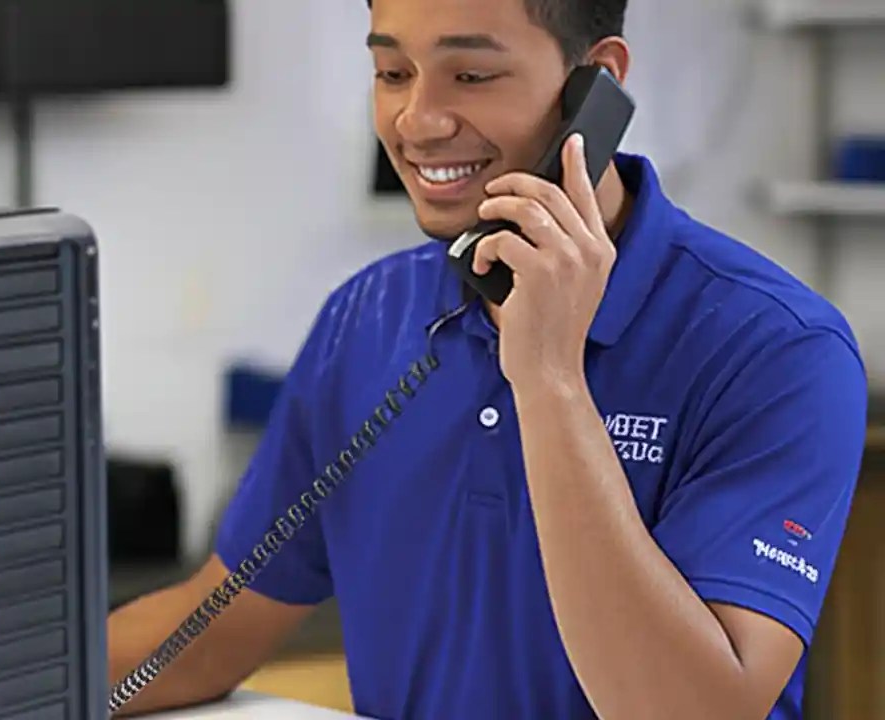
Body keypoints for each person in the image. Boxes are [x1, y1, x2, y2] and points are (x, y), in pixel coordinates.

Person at [106, 0, 868, 717]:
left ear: (595, 84)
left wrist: (549, 379)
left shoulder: (779, 349)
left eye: (471, 75)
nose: (418, 119)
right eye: (392, 73)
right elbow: (215, 624)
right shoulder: (366, 319)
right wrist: (1, 680)